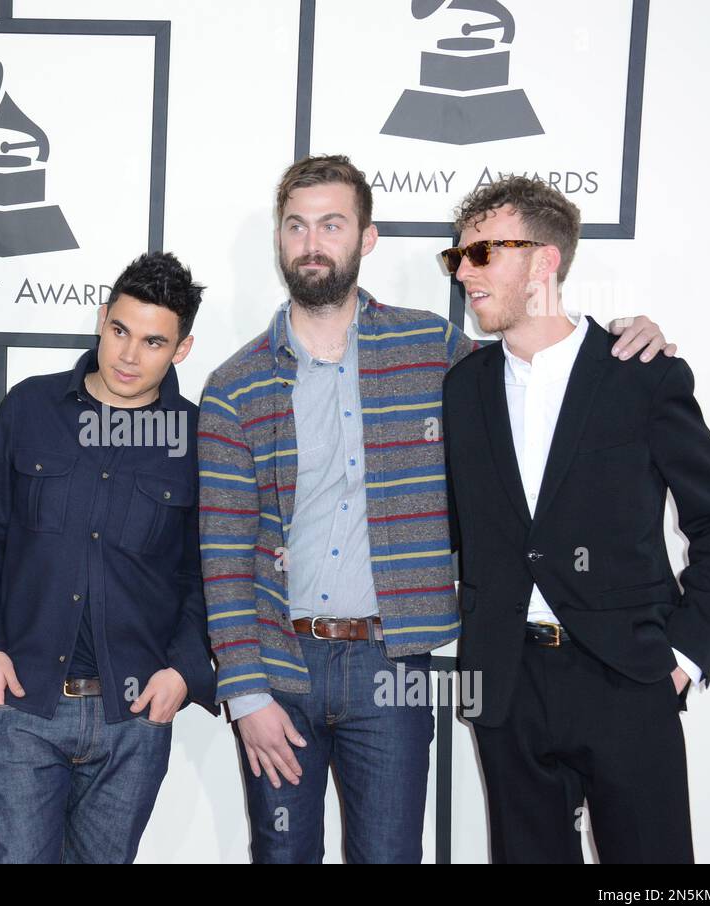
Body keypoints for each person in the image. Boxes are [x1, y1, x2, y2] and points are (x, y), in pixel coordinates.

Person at [198, 154, 674, 863]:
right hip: (277, 665)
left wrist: (633, 337)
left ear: (367, 238)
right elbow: (224, 552)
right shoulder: (234, 386)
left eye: (332, 223)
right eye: (295, 225)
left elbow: (539, 360)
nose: (311, 242)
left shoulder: (437, 353)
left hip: (393, 663)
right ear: (279, 239)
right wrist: (244, 693)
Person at [442, 176, 710, 863]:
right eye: (458, 257)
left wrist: (681, 658)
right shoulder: (463, 389)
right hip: (508, 685)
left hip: (627, 679)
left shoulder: (639, 372)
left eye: (483, 253)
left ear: (545, 261)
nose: (464, 270)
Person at [0, 252, 216, 863]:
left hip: (134, 713)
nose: (129, 355)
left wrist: (184, 671)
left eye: (153, 341)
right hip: (22, 702)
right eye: (119, 330)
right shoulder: (31, 407)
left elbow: (206, 573)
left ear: (182, 349)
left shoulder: (196, 440)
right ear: (99, 319)